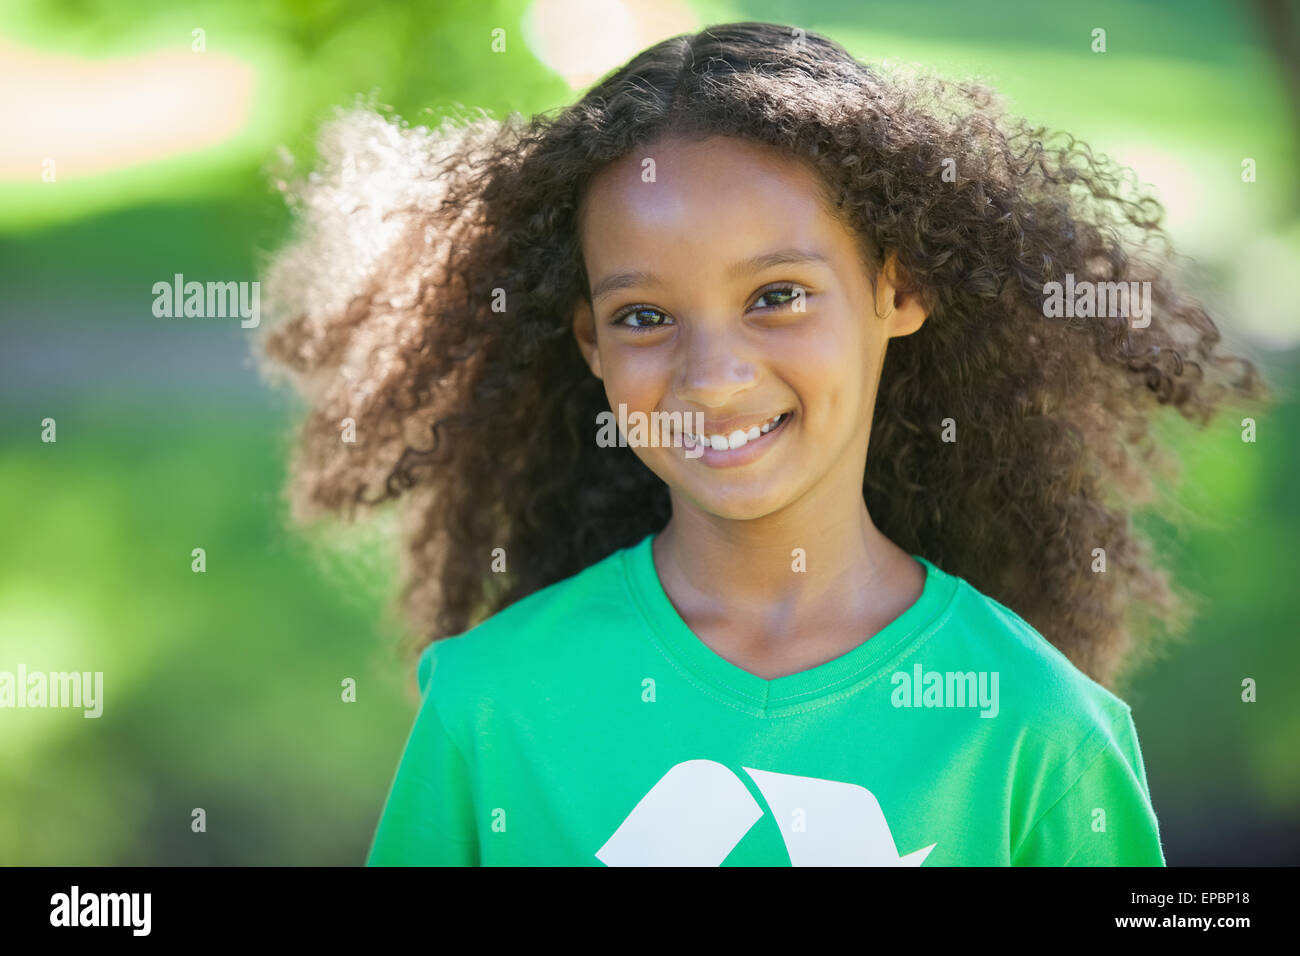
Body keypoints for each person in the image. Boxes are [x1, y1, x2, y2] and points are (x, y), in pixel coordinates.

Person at [256, 22, 1267, 865]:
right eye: (645, 315)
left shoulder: (1036, 732)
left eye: (775, 297)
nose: (713, 374)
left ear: (898, 290)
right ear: (591, 347)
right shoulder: (491, 706)